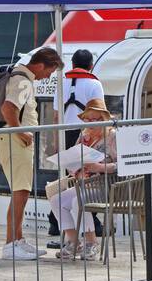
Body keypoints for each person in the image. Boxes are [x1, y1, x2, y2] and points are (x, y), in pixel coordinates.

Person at [0, 46, 64, 260]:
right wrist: (21, 132)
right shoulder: (24, 80)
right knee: (21, 191)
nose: (47, 77)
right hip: (14, 140)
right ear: (41, 65)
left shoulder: (20, 77)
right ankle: (11, 244)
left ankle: (17, 240)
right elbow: (8, 109)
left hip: (12, 139)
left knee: (21, 191)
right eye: (49, 72)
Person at [47, 98, 117, 260]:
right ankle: (73, 243)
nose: (91, 123)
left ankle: (91, 243)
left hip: (107, 186)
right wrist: (77, 172)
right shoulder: (83, 135)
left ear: (105, 119)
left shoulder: (113, 137)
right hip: (85, 185)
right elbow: (74, 162)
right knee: (57, 200)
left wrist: (100, 168)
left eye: (96, 119)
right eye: (88, 119)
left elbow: (122, 165)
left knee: (77, 201)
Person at [47, 48, 106, 238]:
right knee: (87, 177)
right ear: (91, 66)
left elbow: (56, 116)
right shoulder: (94, 84)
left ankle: (56, 221)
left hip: (65, 134)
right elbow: (98, 113)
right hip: (86, 134)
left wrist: (56, 142)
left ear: (72, 65)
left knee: (68, 178)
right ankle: (91, 221)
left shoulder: (61, 83)